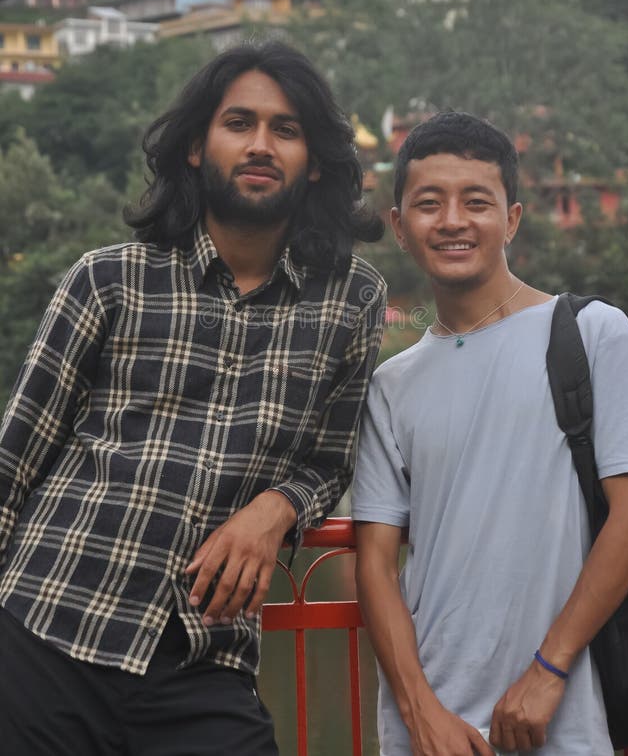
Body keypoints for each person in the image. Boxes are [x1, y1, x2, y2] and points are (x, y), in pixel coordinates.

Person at [0, 40, 386, 756]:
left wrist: (275, 511)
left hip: (200, 653)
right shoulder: (108, 280)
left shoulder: (351, 300)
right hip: (45, 622)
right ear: (194, 147)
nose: (261, 145)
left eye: (286, 129)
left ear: (317, 161)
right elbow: (12, 464)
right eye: (239, 123)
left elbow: (330, 463)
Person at [352, 111, 628, 755]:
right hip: (430, 732)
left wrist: (549, 669)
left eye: (476, 202)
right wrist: (421, 711)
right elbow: (376, 560)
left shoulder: (594, 336)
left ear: (511, 218)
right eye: (429, 204)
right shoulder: (390, 385)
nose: (452, 221)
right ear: (400, 227)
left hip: (564, 716)